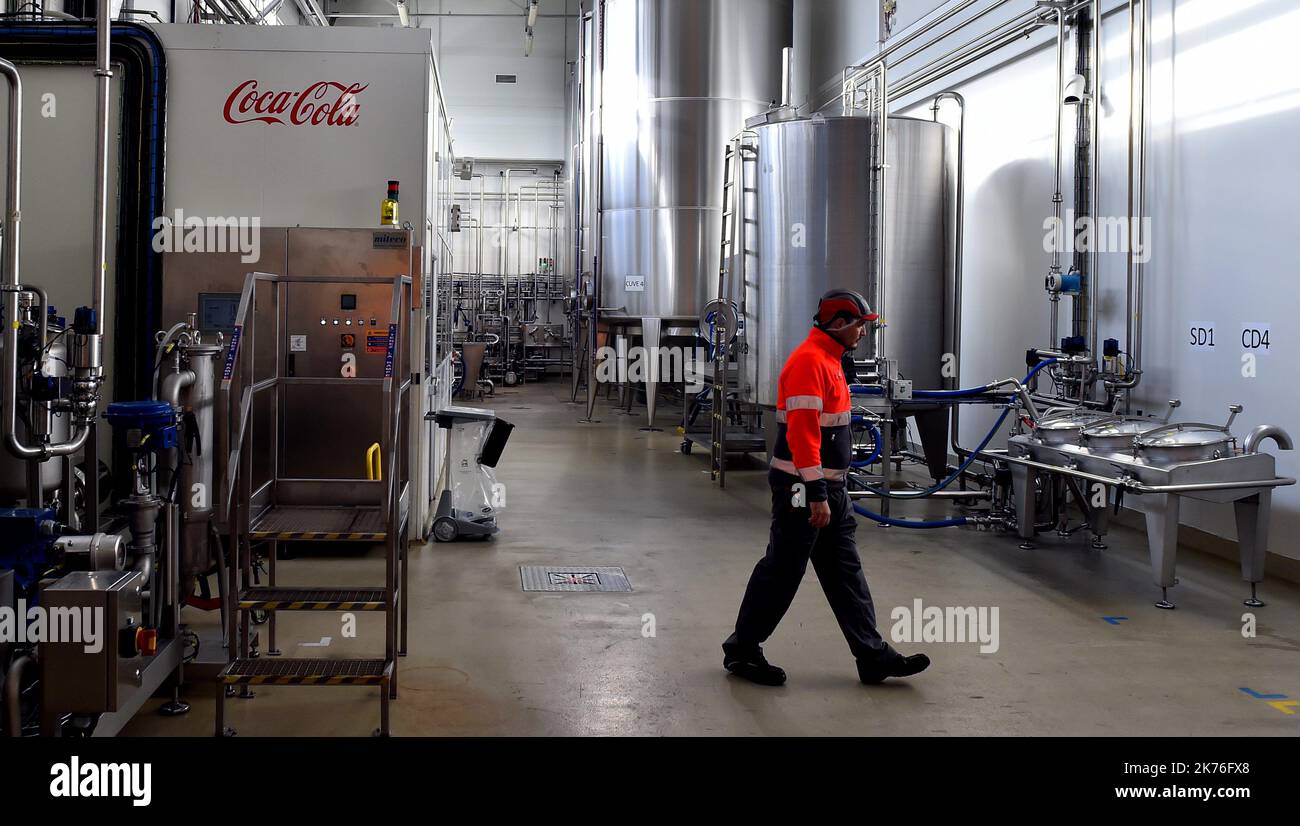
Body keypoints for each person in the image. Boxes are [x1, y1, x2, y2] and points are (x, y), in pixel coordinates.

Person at [722, 289, 931, 686]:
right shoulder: (808, 363)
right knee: (782, 570)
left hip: (828, 488)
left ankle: (872, 656)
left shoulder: (831, 360)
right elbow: (803, 436)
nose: (863, 335)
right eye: (859, 327)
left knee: (845, 573)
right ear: (838, 324)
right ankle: (743, 650)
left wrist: (830, 487)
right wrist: (816, 492)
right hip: (801, 489)